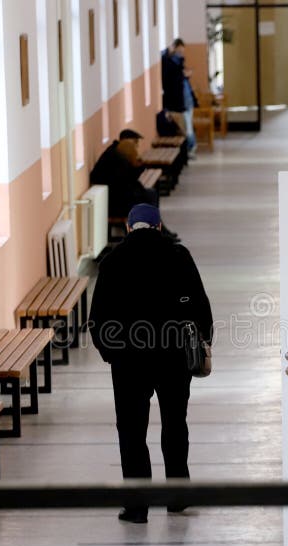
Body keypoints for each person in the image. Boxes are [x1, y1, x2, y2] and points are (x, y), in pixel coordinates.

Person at [89, 204, 213, 524]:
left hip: (129, 362)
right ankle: (177, 496)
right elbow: (200, 306)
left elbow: (97, 319)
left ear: (129, 228)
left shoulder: (112, 261)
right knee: (174, 424)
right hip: (174, 358)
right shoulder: (178, 256)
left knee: (131, 431)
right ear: (159, 227)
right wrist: (203, 342)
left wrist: (111, 353)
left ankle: (137, 506)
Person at [89, 129, 178, 241]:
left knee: (151, 194)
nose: (136, 145)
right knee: (149, 197)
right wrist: (139, 168)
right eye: (135, 142)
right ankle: (158, 233)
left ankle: (159, 231)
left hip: (118, 197)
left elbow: (126, 179)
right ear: (126, 141)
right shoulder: (117, 157)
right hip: (116, 203)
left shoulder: (116, 152)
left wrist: (138, 168)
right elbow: (125, 180)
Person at [161, 39, 187, 135]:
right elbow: (169, 83)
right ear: (174, 48)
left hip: (179, 103)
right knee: (181, 131)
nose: (181, 53)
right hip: (173, 103)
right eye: (179, 51)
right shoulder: (167, 62)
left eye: (182, 51)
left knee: (183, 130)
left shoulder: (178, 62)